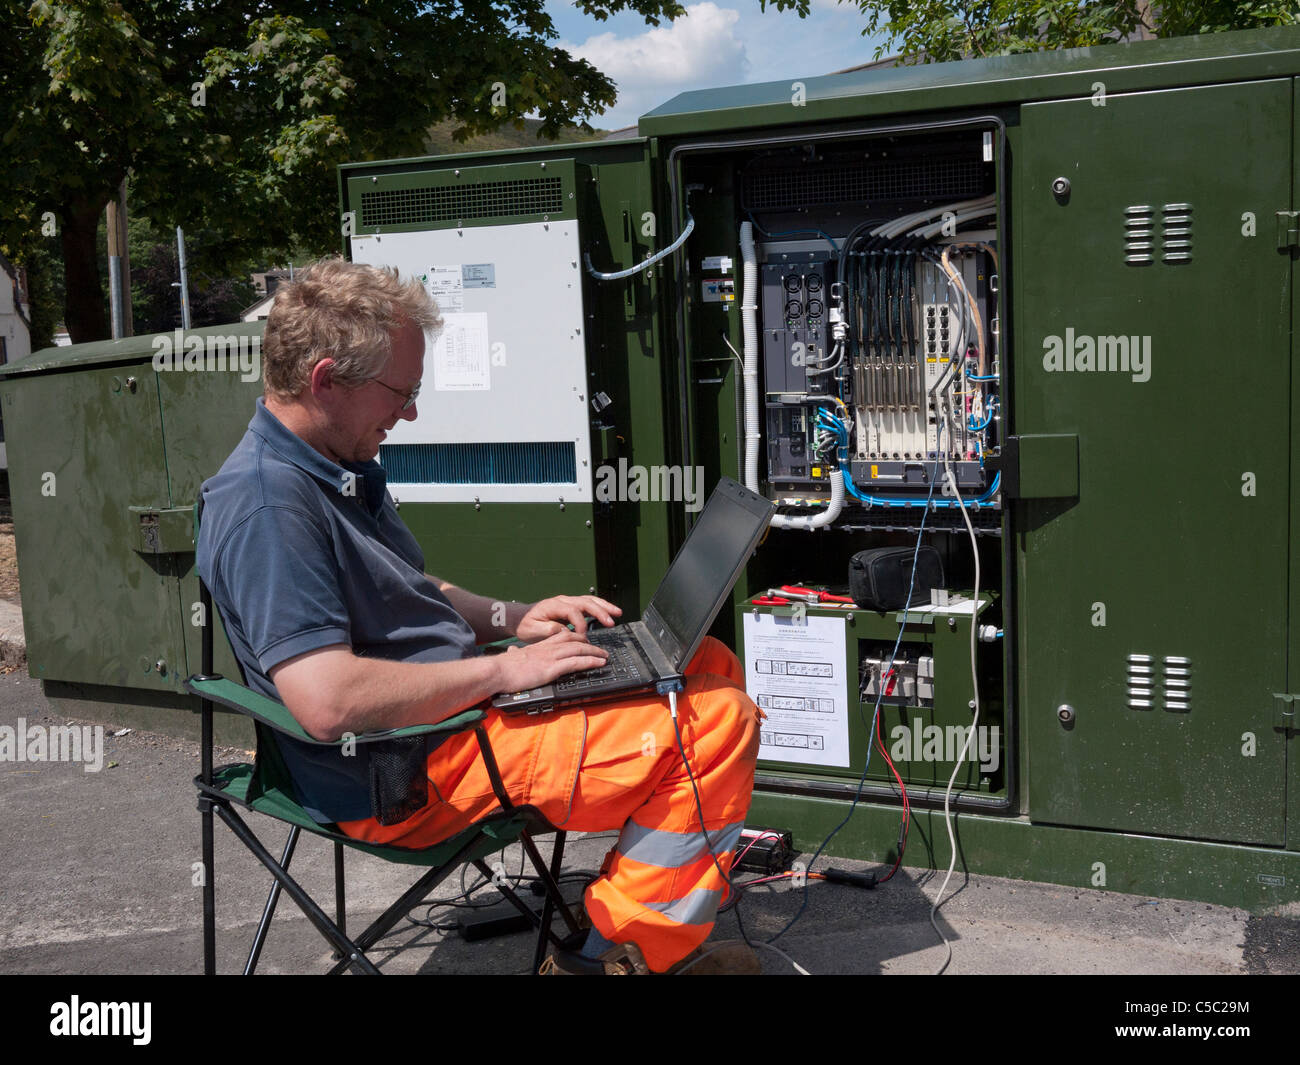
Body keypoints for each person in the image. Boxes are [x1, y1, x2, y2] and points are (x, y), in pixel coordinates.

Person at [196, 258, 763, 974]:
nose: (409, 413)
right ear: (325, 379)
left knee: (705, 664)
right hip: (410, 766)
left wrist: (516, 617)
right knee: (714, 723)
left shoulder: (331, 460)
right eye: (400, 393)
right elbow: (327, 701)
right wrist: (507, 668)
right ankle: (627, 958)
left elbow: (404, 584)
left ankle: (644, 905)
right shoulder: (269, 506)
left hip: (451, 722)